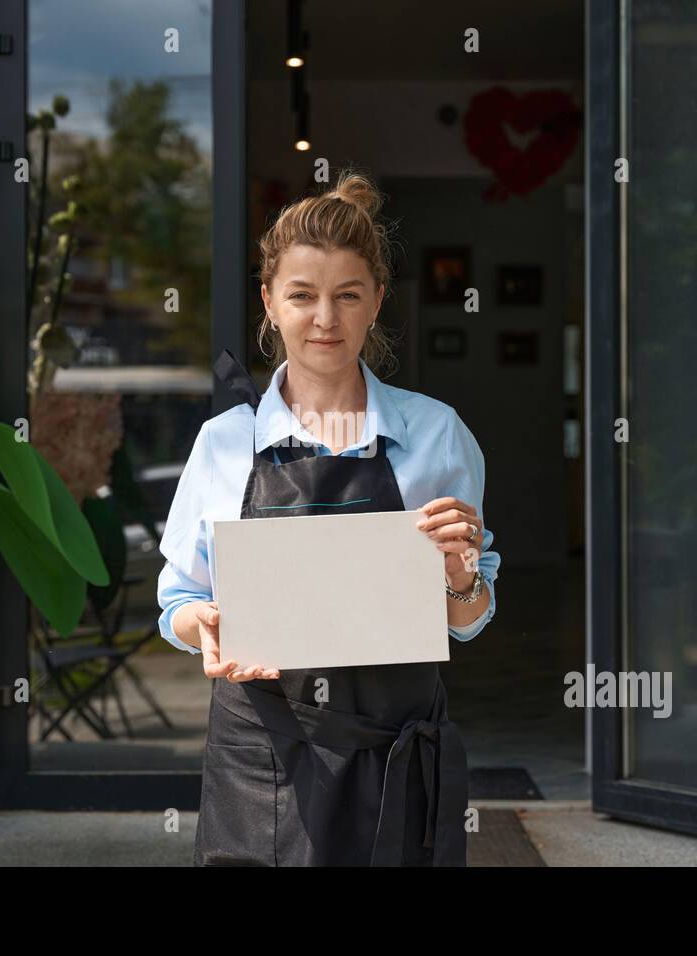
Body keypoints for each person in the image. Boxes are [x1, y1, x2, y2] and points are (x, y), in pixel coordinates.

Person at [156, 169, 499, 866]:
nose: (325, 320)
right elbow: (178, 603)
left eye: (348, 296)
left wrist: (461, 576)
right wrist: (208, 630)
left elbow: (469, 617)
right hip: (261, 760)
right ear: (269, 303)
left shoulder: (437, 434)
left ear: (376, 302)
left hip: (394, 756)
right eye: (303, 296)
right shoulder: (225, 443)